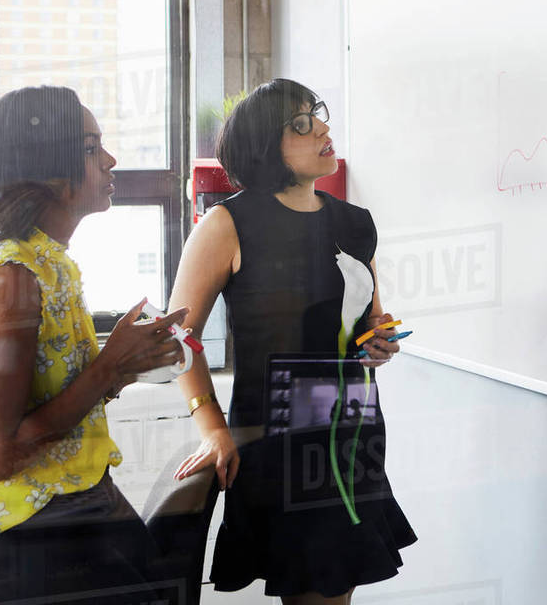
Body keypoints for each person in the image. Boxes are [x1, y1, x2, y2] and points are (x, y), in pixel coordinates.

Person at [167, 78, 417, 605]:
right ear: (264, 145)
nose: (323, 128)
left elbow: (367, 323)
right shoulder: (227, 223)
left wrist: (379, 342)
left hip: (352, 429)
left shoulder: (355, 223)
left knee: (336, 591)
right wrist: (211, 428)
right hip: (277, 435)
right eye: (302, 123)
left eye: (318, 115)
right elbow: (178, 336)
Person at [0, 85, 189, 603]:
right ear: (47, 173)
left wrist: (123, 368)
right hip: (39, 538)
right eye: (90, 147)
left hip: (79, 515)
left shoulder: (49, 264)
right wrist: (108, 370)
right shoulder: (12, 278)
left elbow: (59, 402)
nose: (110, 159)